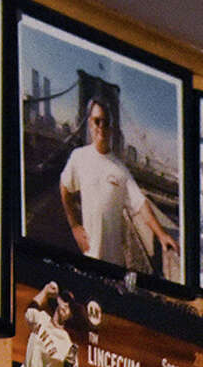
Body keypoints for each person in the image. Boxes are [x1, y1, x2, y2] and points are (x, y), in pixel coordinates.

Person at [59, 96, 177, 274]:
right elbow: (64, 188)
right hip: (88, 257)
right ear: (89, 124)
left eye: (105, 122)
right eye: (97, 121)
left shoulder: (120, 169)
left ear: (111, 129)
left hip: (114, 265)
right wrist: (75, 225)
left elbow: (141, 204)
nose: (101, 127)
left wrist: (161, 234)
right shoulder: (79, 157)